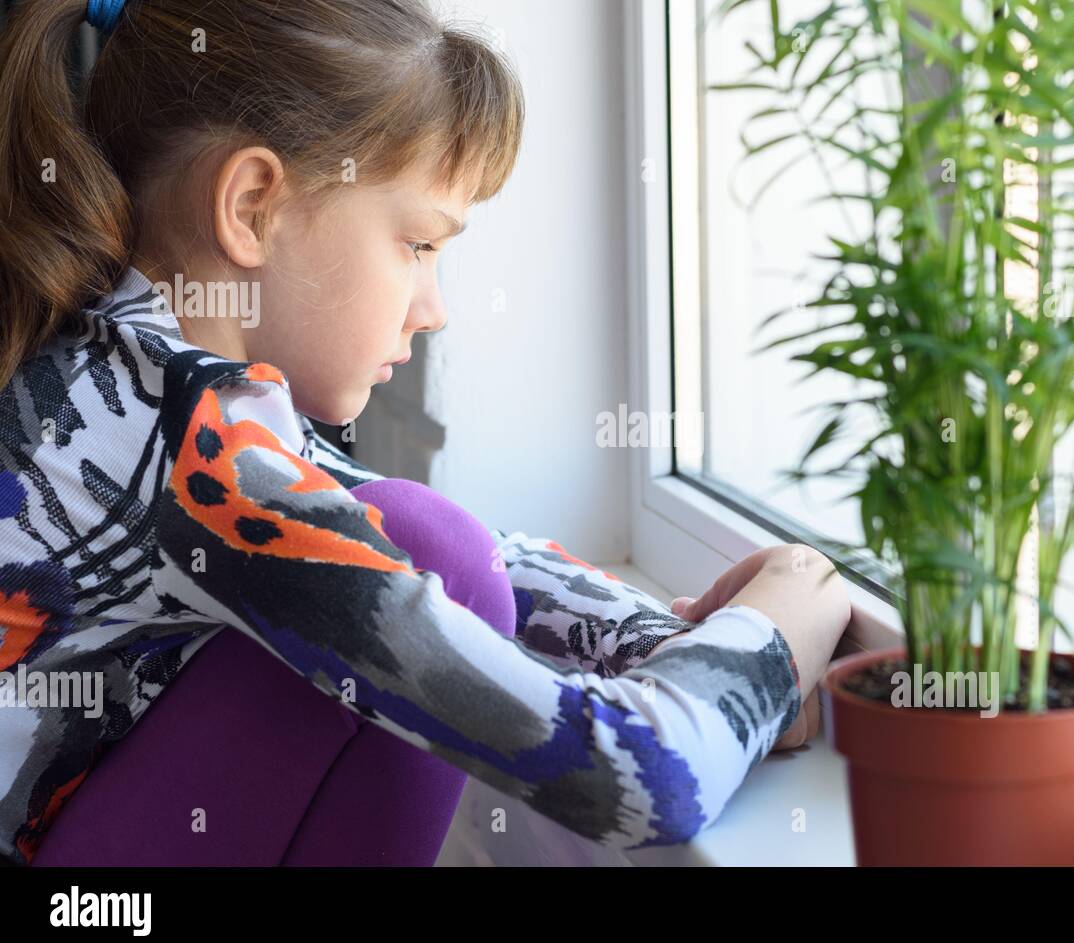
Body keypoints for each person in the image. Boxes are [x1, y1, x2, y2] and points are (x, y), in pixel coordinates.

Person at [0, 0, 851, 866]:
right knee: (430, 547)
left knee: (421, 543)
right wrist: (789, 611)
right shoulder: (186, 436)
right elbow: (641, 781)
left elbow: (384, 534)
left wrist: (660, 640)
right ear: (253, 206)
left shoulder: (117, 371)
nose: (435, 311)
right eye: (419, 245)